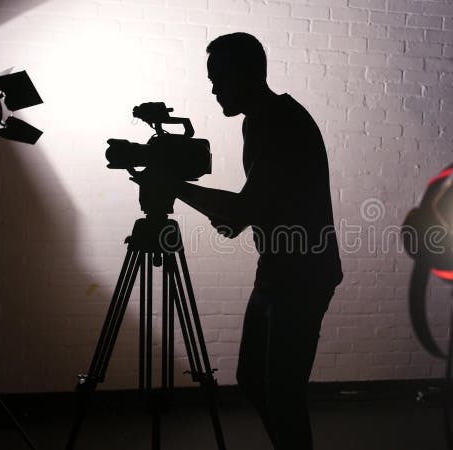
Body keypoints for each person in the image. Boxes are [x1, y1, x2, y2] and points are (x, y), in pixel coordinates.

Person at [172, 32, 343, 450]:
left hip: (302, 275)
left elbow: (245, 210)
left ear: (246, 74)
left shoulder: (279, 121)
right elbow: (256, 209)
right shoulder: (259, 120)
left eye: (219, 79)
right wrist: (232, 213)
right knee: (253, 379)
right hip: (280, 270)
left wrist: (176, 187)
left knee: (282, 392)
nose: (213, 89)